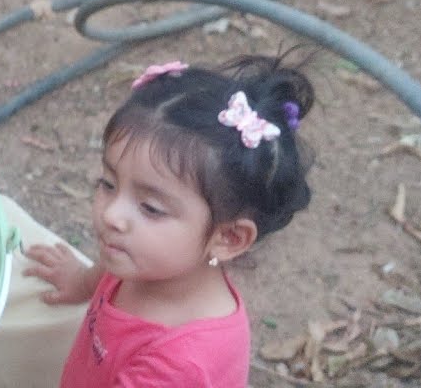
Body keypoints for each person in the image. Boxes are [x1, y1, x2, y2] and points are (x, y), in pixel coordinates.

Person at [23, 56, 316, 387]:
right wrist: (80, 281)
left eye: (150, 207)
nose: (111, 215)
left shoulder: (179, 366)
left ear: (230, 237)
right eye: (108, 183)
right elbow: (108, 272)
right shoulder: (146, 259)